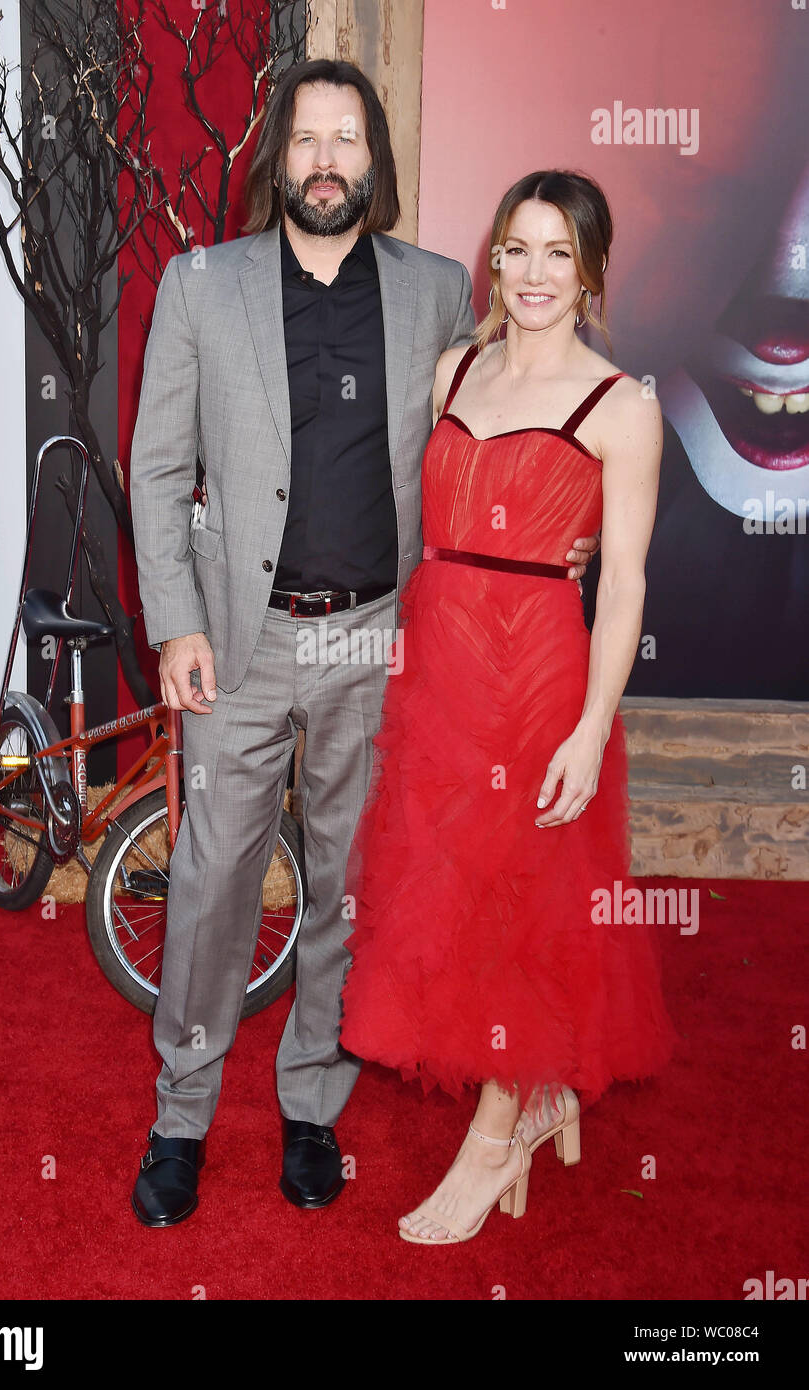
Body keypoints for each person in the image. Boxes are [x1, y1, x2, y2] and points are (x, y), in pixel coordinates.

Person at [127, 64, 601, 1228]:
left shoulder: (439, 290)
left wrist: (560, 534)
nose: (325, 159)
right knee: (208, 884)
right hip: (237, 641)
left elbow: (512, 403)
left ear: (373, 161)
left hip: (378, 644)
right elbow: (151, 469)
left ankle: (309, 1109)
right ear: (276, 159)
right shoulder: (202, 285)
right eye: (305, 140)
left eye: (346, 138)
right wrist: (177, 622)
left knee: (346, 887)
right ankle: (180, 1114)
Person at [340, 170, 676, 1244]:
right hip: (438, 666)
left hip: (539, 676)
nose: (533, 274)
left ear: (589, 272)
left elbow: (619, 581)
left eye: (556, 254)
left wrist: (588, 728)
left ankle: (495, 1132)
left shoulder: (623, 405)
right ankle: (530, 1096)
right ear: (493, 260)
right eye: (515, 250)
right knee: (445, 887)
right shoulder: (453, 368)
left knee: (521, 900)